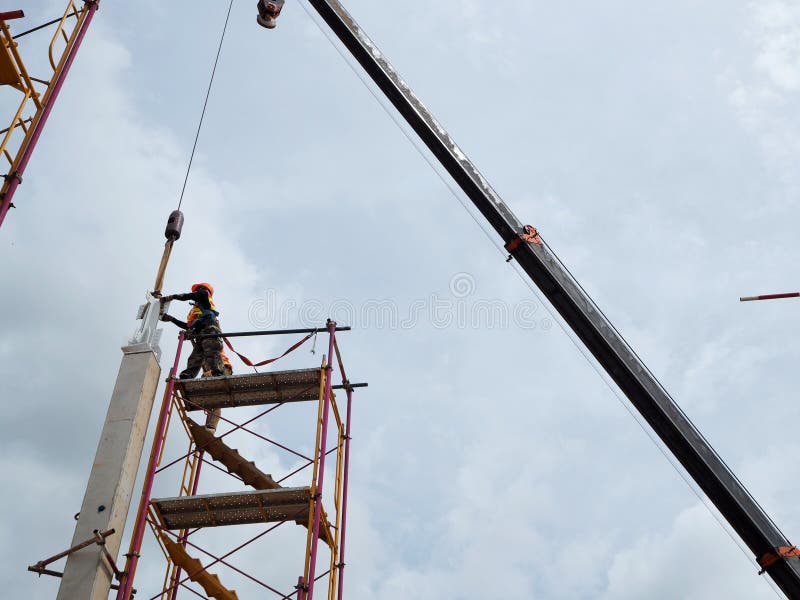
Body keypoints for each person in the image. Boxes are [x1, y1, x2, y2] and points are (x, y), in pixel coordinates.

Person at [160, 282, 226, 431]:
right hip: (200, 334)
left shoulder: (204, 295)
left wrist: (173, 297)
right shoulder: (196, 310)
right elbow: (189, 326)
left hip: (209, 329)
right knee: (195, 358)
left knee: (211, 353)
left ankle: (218, 373)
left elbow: (189, 296)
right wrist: (171, 319)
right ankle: (187, 375)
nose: (196, 294)